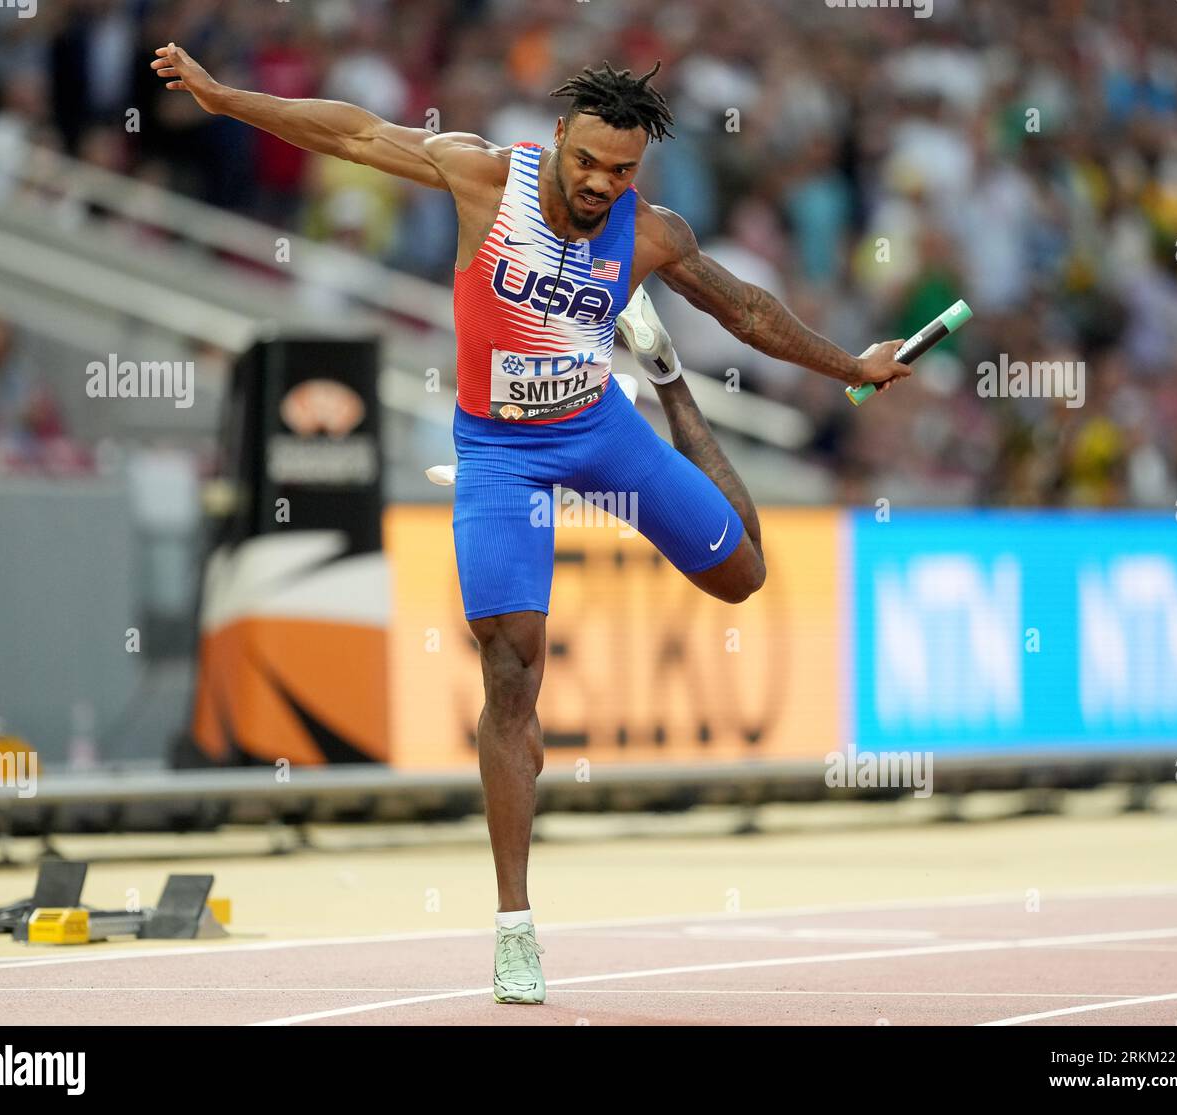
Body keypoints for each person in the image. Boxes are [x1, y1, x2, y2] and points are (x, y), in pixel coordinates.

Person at [151, 46, 912, 1003]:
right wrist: (223, 99)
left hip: (599, 429)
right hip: (501, 453)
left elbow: (751, 311)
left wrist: (852, 364)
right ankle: (515, 925)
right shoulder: (479, 174)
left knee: (744, 575)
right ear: (558, 137)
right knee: (512, 667)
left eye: (622, 171)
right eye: (589, 161)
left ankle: (668, 381)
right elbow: (349, 130)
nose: (601, 183)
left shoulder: (652, 234)